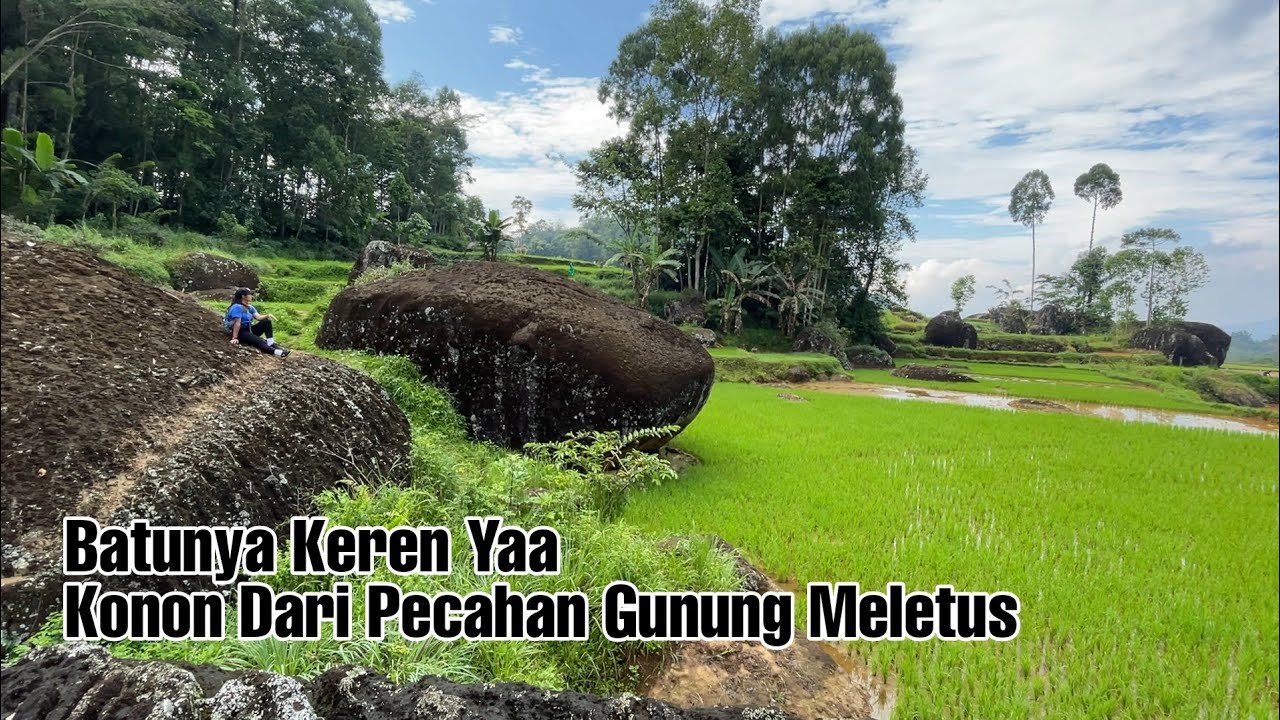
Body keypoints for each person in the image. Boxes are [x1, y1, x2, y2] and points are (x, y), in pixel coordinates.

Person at [224, 287, 290, 357]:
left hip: (248, 329)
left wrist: (267, 316)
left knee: (266, 322)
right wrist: (234, 338)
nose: (251, 296)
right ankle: (278, 353)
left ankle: (270, 343)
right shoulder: (236, 307)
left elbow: (258, 317)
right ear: (243, 296)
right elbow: (237, 323)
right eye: (250, 294)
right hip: (240, 332)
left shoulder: (249, 307)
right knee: (259, 341)